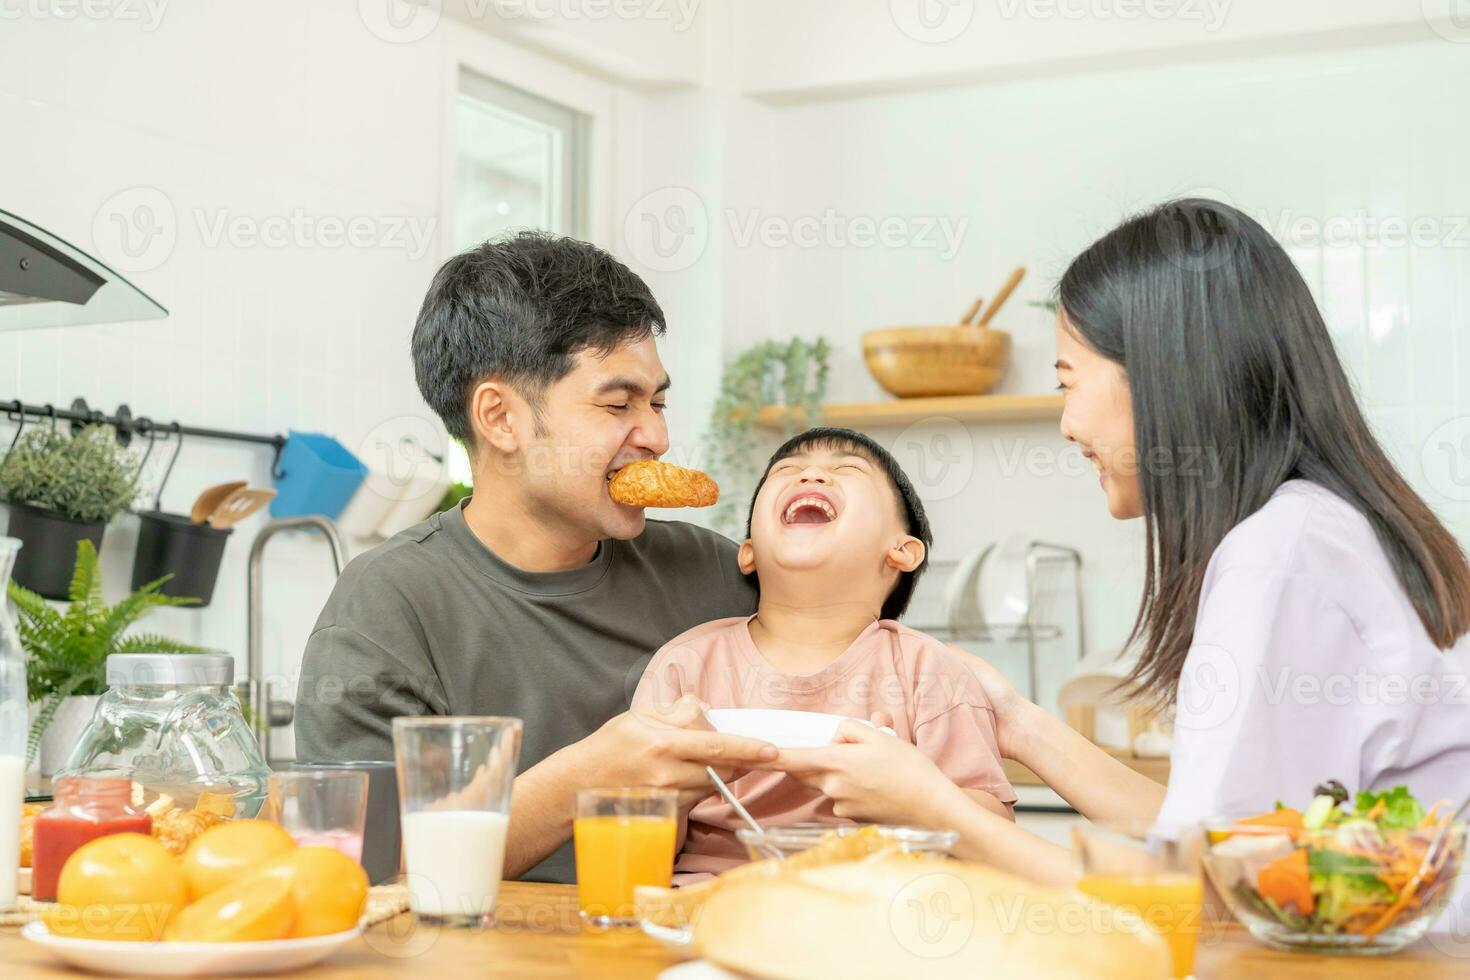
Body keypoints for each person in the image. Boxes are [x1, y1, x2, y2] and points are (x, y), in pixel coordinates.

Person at [758, 199, 1470, 885]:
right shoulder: (1315, 526)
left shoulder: (1278, 556)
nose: (1066, 425)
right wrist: (1017, 722)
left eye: (1070, 381)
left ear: (1164, 375)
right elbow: (1208, 836)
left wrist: (932, 807)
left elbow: (1204, 894)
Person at [294, 231, 776, 884]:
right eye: (618, 404)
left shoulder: (721, 578)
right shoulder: (388, 608)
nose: (658, 437)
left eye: (658, 402)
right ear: (500, 418)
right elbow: (357, 877)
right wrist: (592, 777)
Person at [633, 427, 1014, 879]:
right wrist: (670, 794)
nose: (811, 475)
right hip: (707, 906)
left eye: (846, 469)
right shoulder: (684, 665)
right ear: (748, 553)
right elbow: (636, 844)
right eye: (787, 471)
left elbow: (994, 839)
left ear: (902, 551)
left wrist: (912, 799)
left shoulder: (930, 673)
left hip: (876, 913)